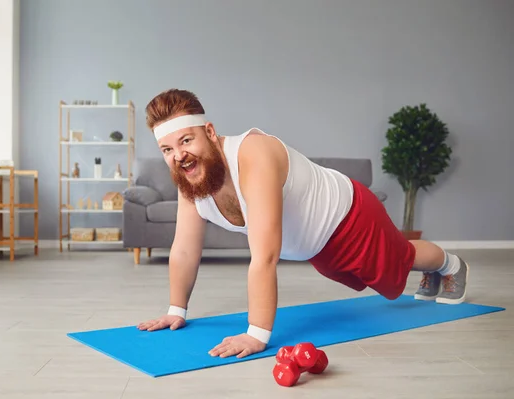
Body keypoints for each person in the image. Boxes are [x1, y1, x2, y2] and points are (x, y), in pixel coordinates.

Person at [136, 88, 469, 359]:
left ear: (209, 132)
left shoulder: (253, 154)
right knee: (376, 275)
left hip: (349, 217)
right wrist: (176, 309)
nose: (178, 155)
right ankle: (434, 267)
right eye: (167, 148)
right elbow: (183, 249)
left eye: (186, 140)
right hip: (315, 244)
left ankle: (450, 265)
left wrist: (257, 333)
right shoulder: (191, 182)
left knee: (399, 261)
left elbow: (264, 255)